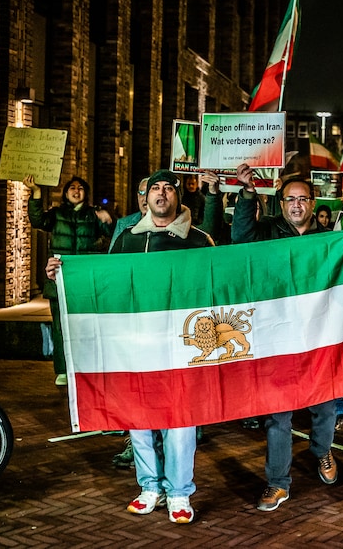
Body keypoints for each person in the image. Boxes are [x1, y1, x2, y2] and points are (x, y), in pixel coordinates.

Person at [46, 169, 213, 524]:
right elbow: (107, 279)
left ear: (178, 196)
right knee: (139, 417)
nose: (161, 193)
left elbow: (216, 283)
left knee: (180, 420)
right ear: (146, 198)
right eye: (155, 188)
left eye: (169, 188)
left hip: (181, 345)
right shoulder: (128, 239)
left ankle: (179, 492)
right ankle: (150, 486)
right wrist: (65, 272)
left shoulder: (198, 240)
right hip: (137, 342)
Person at [228, 163, 339, 512]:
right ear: (281, 203)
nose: (296, 205)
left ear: (313, 203)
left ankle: (322, 450)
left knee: (325, 404)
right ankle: (278, 482)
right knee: (278, 413)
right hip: (277, 335)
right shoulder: (267, 231)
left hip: (317, 336)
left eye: (303, 199)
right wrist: (248, 193)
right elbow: (240, 237)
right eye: (290, 199)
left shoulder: (329, 239)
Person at [24, 174, 114, 386]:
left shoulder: (93, 214)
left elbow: (111, 234)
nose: (76, 191)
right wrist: (36, 192)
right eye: (72, 187)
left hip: (85, 280)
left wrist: (108, 220)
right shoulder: (56, 214)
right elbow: (38, 220)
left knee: (88, 325)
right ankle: (63, 370)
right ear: (65, 193)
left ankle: (88, 368)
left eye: (80, 188)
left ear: (86, 193)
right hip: (59, 279)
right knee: (60, 327)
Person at [110, 177, 149, 248]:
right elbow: (113, 253)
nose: (145, 199)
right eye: (142, 193)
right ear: (137, 196)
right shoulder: (123, 223)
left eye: (149, 194)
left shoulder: (165, 223)